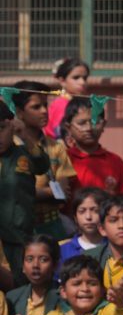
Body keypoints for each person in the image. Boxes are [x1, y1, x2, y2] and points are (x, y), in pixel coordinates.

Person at [12, 80, 77, 239]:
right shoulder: (8, 146)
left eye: (45, 105)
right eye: (36, 107)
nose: (44, 111)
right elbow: (12, 193)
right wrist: (49, 192)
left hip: (52, 227)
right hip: (17, 228)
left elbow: (63, 193)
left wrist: (33, 193)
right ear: (19, 112)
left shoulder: (56, 147)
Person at [0, 102, 50, 276]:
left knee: (21, 288)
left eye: (2, 128)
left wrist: (24, 135)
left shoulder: (23, 153)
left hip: (20, 239)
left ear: (12, 126)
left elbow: (43, 164)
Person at [62, 98, 123, 196]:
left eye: (95, 122)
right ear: (68, 128)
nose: (89, 128)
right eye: (82, 123)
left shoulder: (115, 162)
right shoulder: (64, 159)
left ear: (103, 125)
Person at [59, 187, 109, 265]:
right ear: (75, 217)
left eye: (95, 211)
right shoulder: (63, 250)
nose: (88, 217)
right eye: (82, 211)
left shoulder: (113, 247)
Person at [45, 58, 89, 140]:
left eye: (85, 78)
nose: (82, 82)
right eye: (76, 78)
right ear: (62, 81)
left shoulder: (80, 103)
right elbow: (60, 136)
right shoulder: (61, 105)